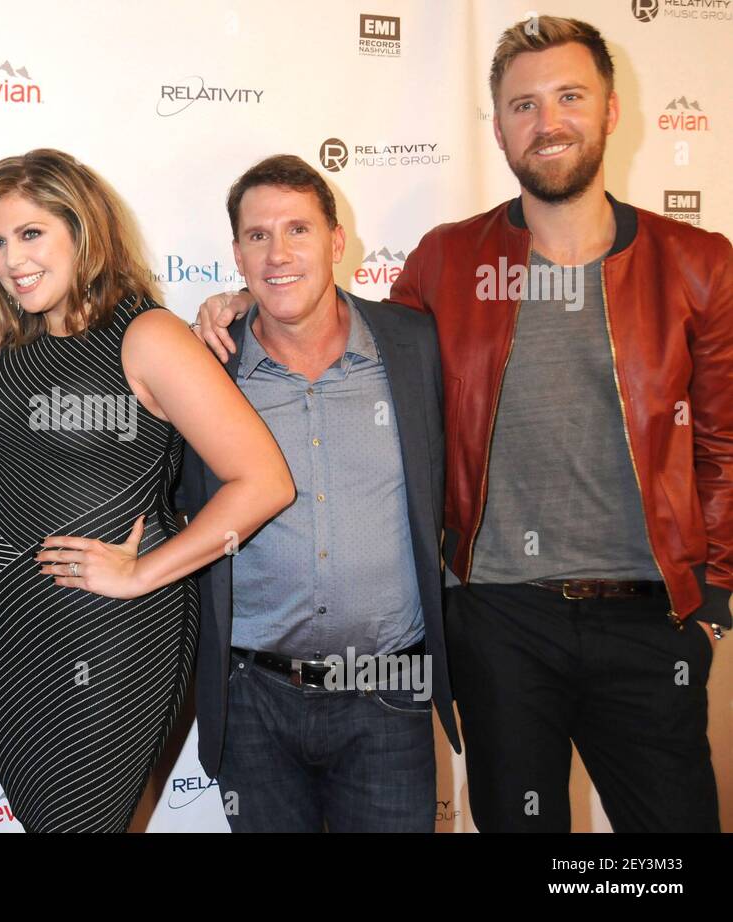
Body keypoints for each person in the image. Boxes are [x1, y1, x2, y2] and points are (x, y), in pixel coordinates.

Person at [195, 16, 730, 833]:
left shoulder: (697, 263)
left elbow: (724, 439)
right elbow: (339, 328)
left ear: (611, 112)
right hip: (497, 621)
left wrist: (715, 588)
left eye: (570, 97)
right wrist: (244, 302)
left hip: (649, 617)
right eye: (523, 106)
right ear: (500, 129)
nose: (547, 122)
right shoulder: (448, 262)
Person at [0, 149, 294, 833]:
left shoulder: (146, 335)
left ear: (83, 231)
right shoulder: (0, 344)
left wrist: (143, 572)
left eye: (31, 234)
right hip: (9, 629)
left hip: (113, 629)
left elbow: (264, 482)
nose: (10, 259)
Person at [179, 155, 459, 832]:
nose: (278, 254)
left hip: (389, 692)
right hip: (253, 699)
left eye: (298, 230)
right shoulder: (203, 366)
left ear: (337, 243)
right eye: (257, 236)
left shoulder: (415, 345)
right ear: (237, 254)